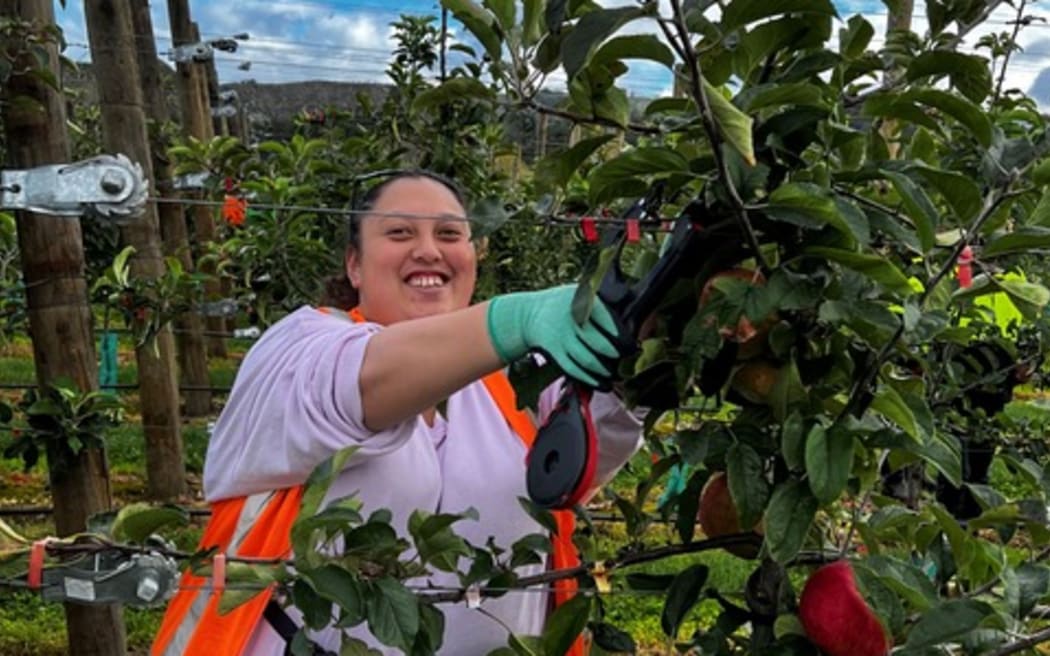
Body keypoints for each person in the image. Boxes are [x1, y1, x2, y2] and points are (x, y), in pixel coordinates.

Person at [152, 170, 645, 655]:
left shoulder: (513, 383)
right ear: (355, 266)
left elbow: (595, 437)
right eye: (399, 232)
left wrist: (654, 337)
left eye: (450, 233)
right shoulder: (298, 349)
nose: (429, 249)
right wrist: (509, 319)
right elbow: (357, 382)